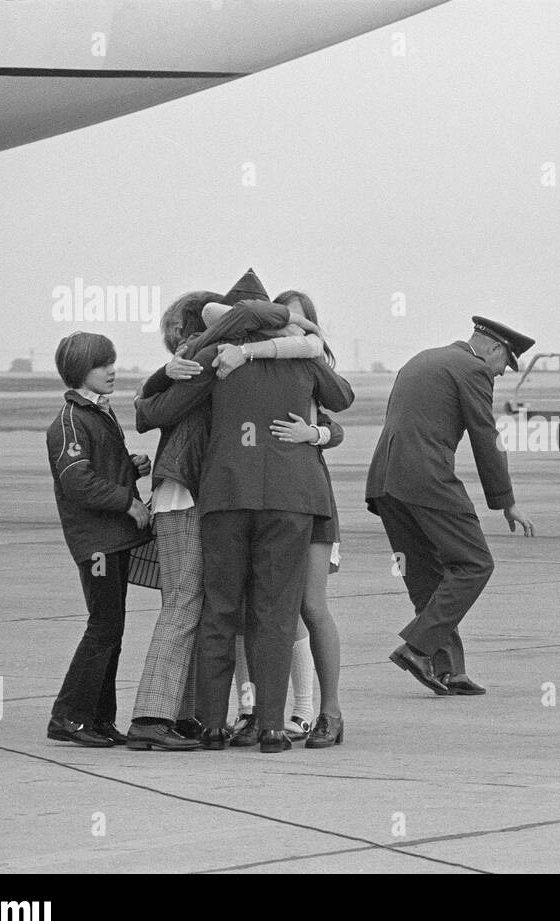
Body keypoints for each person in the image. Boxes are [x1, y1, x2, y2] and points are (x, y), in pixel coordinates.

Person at [140, 272, 353, 752]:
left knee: (221, 609)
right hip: (291, 500)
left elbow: (154, 412)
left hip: (226, 497)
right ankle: (274, 728)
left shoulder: (218, 360)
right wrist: (308, 341)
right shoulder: (302, 359)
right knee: (277, 614)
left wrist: (168, 370)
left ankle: (215, 723)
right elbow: (342, 398)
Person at [367, 317, 535, 696]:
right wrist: (506, 503)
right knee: (475, 563)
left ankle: (448, 669)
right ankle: (416, 649)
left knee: (427, 575)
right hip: (426, 480)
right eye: (504, 364)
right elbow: (485, 436)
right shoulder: (473, 369)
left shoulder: (423, 359)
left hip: (385, 481)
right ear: (494, 349)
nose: (501, 373)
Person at [224, 289, 348, 749]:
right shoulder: (250, 362)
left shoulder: (308, 364)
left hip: (311, 499)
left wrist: (316, 432)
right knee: (256, 610)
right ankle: (256, 710)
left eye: (298, 321)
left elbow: (341, 408)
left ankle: (326, 713)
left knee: (310, 606)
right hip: (266, 501)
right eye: (281, 319)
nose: (288, 327)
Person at [45, 332, 152, 746]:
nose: (111, 370)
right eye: (101, 364)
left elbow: (98, 467)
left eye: (112, 361)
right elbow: (77, 481)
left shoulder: (97, 413)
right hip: (97, 543)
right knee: (103, 628)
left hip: (112, 539)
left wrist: (129, 467)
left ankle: (100, 718)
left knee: (112, 629)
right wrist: (128, 500)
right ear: (78, 372)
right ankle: (68, 717)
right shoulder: (71, 419)